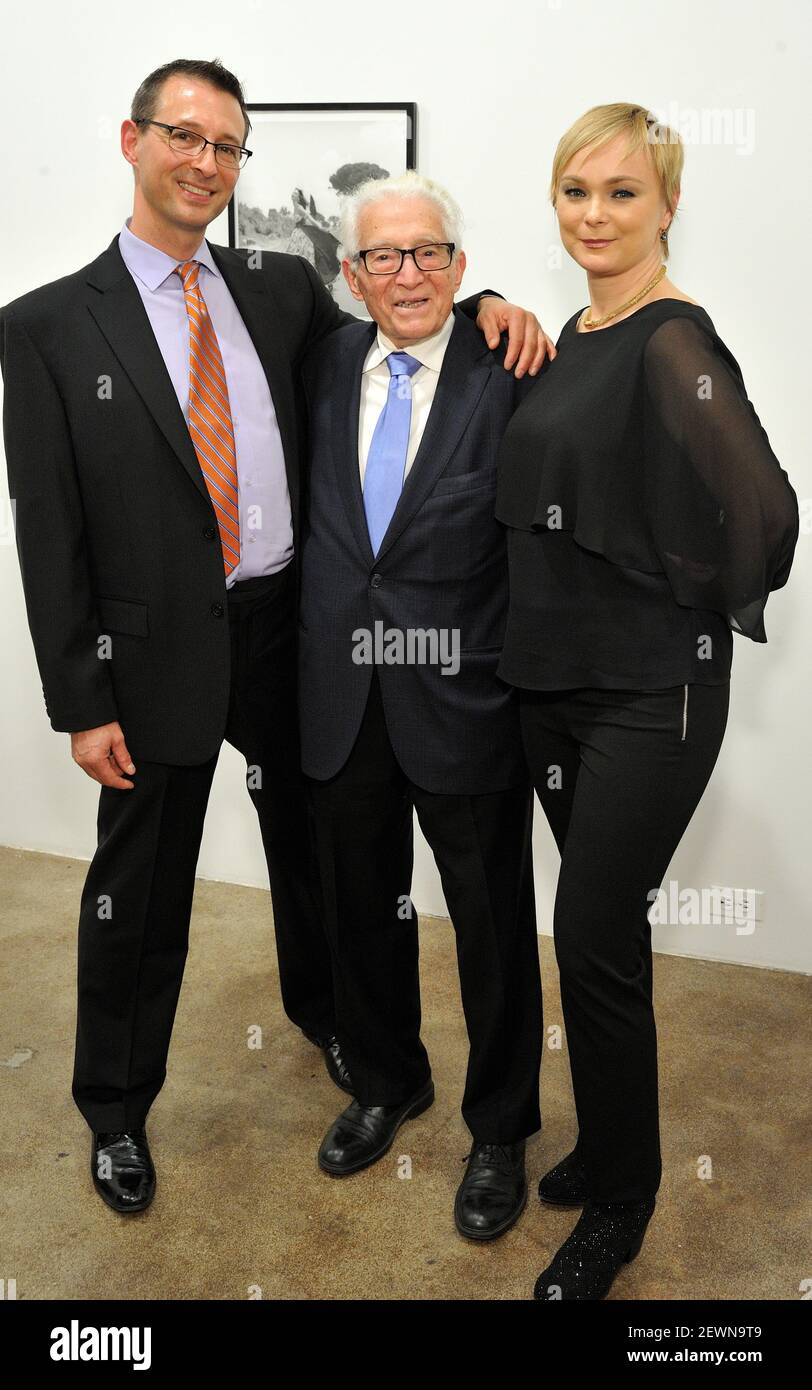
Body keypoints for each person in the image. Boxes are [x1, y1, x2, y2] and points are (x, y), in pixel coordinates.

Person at [0, 57, 550, 1217]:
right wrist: (79, 697)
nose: (205, 161)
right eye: (183, 136)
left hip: (295, 630)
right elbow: (48, 534)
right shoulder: (47, 329)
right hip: (155, 652)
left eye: (226, 145)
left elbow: (416, 312)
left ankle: (350, 1040)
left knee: (326, 861)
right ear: (132, 140)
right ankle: (113, 1106)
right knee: (139, 889)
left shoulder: (279, 292)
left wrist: (492, 299)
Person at [494, 102, 799, 1299]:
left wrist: (660, 587)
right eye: (575, 191)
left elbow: (764, 518)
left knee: (585, 939)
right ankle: (612, 1145)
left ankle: (623, 1204)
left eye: (622, 193)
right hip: (551, 691)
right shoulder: (572, 330)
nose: (594, 215)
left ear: (667, 204)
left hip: (647, 699)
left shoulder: (674, 338)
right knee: (603, 940)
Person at [299, 172, 544, 1241]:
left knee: (489, 925)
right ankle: (385, 1080)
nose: (407, 274)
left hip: (463, 697)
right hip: (340, 691)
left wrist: (499, 301)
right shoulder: (318, 364)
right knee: (360, 909)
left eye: (429, 252)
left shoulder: (510, 368)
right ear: (350, 276)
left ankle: (499, 1127)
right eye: (383, 257)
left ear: (458, 261)